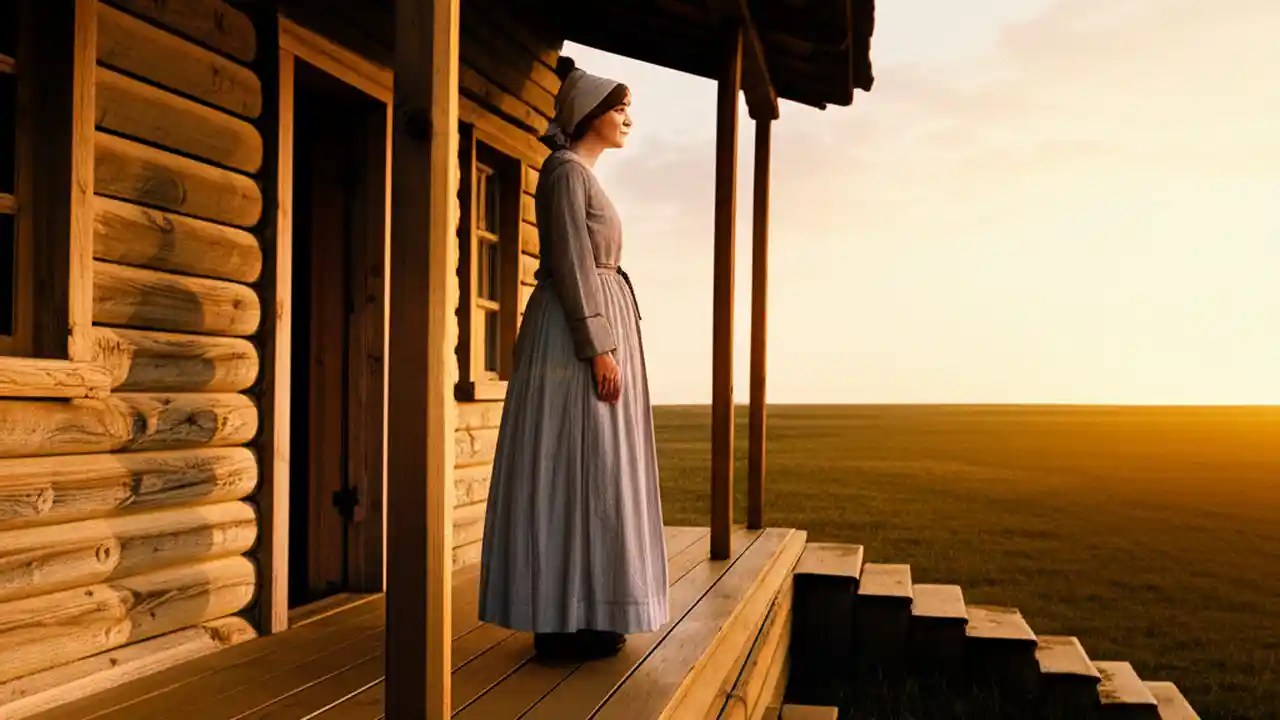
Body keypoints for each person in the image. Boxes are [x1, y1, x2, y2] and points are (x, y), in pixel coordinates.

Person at [476, 57, 670, 660]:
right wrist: (598, 347)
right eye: (618, 109)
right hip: (574, 338)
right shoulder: (564, 173)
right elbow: (568, 262)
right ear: (589, 116)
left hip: (592, 332)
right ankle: (562, 615)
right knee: (572, 467)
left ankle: (594, 606)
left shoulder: (583, 174)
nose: (627, 119)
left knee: (599, 472)